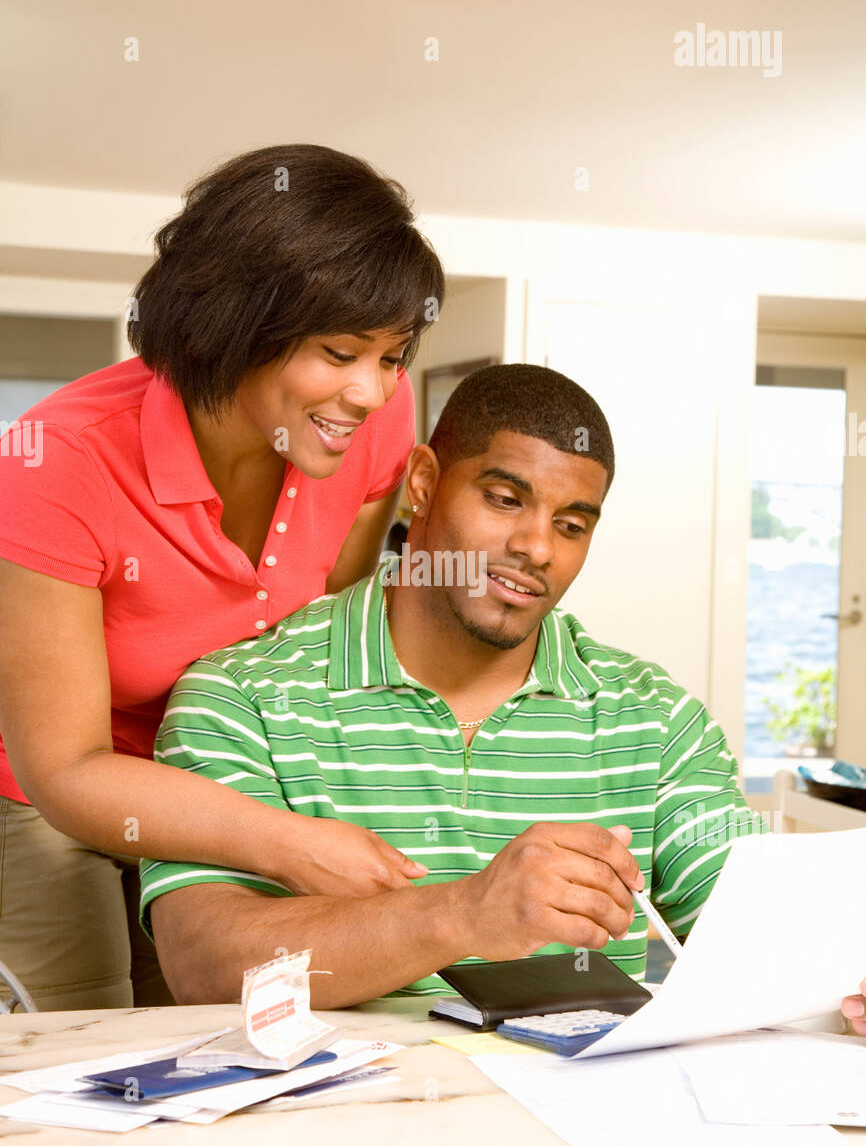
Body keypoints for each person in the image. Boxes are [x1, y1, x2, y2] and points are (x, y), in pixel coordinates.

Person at [145, 362, 837, 1014]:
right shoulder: (241, 697)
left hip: (578, 1128)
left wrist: (842, 969)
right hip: (335, 1128)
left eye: (571, 526)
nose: (538, 548)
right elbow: (203, 962)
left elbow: (768, 927)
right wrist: (462, 913)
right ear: (422, 481)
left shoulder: (654, 721)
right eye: (505, 500)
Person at [0, 143, 445, 1011]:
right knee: (86, 1043)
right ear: (234, 323)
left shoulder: (370, 431)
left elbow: (316, 638)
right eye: (339, 351)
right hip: (56, 797)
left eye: (392, 357)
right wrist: (286, 842)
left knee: (236, 1036)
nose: (371, 392)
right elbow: (65, 767)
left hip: (228, 772)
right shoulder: (56, 462)